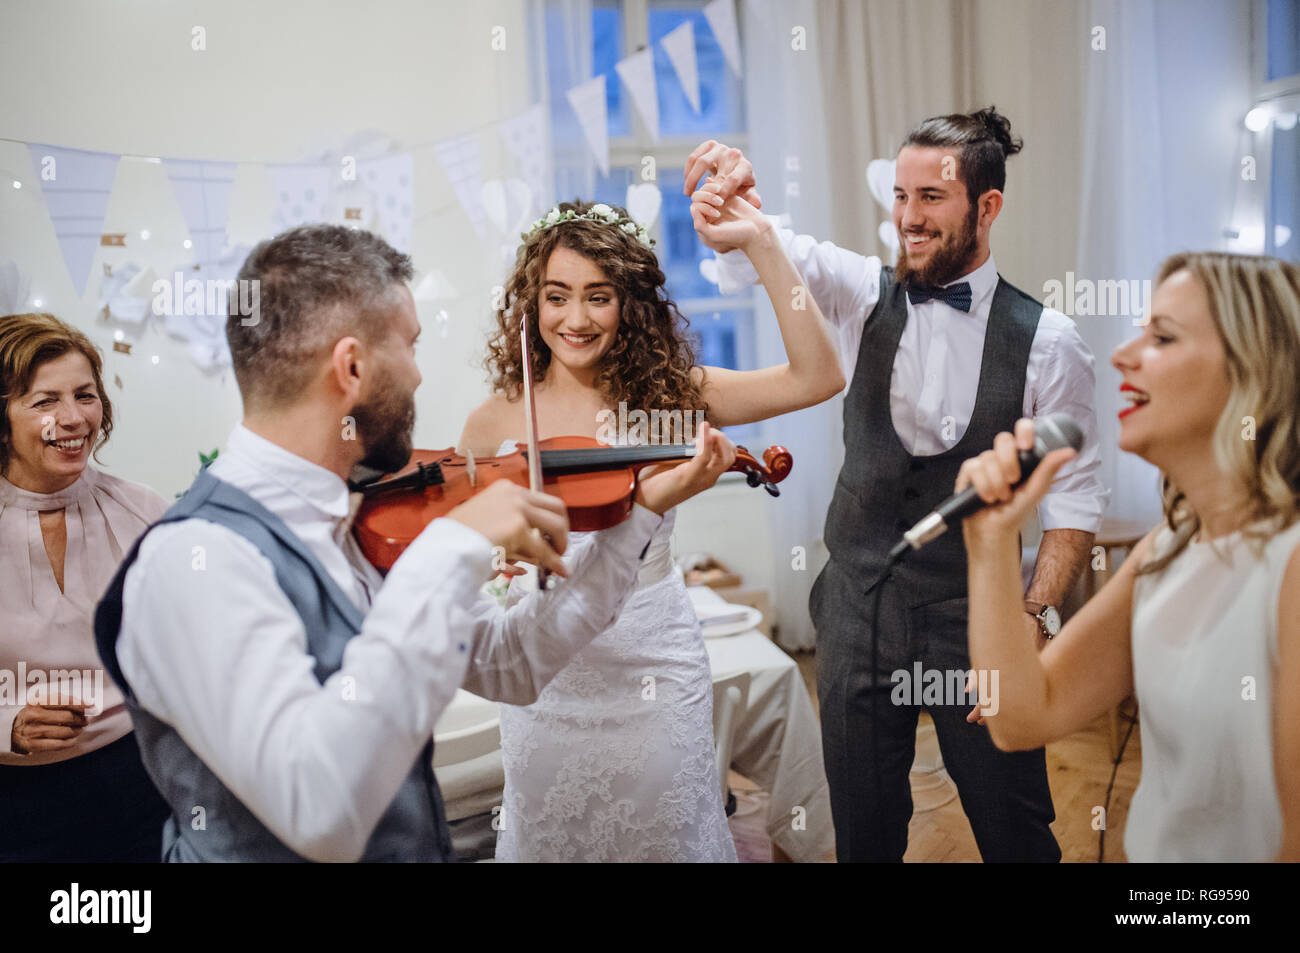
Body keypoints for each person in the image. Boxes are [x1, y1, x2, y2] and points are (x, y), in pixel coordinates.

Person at [92, 224, 737, 863]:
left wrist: (640, 514)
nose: (421, 377)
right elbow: (320, 813)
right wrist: (452, 547)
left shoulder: (365, 520)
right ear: (352, 368)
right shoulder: (197, 560)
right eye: (411, 346)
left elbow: (516, 662)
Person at [686, 107, 1109, 862]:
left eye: (931, 198)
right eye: (901, 196)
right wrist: (733, 195)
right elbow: (774, 248)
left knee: (1014, 825)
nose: (908, 218)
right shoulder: (857, 291)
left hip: (972, 625)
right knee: (864, 827)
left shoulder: (1051, 342)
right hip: (856, 612)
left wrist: (1033, 614)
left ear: (987, 207)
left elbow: (1074, 504)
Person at [461, 198, 844, 861]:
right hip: (548, 673)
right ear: (532, 302)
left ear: (629, 304)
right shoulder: (495, 422)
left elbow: (819, 375)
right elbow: (474, 560)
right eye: (556, 296)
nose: (574, 318)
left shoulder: (670, 399)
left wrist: (761, 245)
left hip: (653, 663)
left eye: (597, 296)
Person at [960, 252, 1300, 862]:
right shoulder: (1166, 551)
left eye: (1162, 337)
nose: (1121, 355)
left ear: (1256, 369)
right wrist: (988, 547)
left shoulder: (1291, 565)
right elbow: (1019, 718)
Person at [0, 312, 169, 862]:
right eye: (45, 401)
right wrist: (9, 725)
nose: (73, 419)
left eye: (86, 396)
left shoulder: (143, 509)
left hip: (141, 777)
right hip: (15, 802)